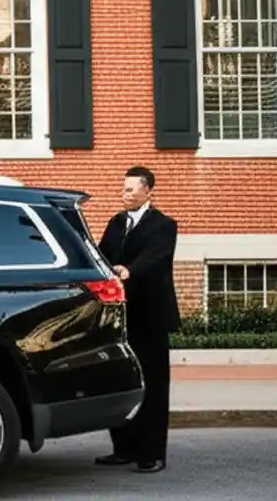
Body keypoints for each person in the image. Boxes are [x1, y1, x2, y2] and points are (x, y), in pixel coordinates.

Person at [94, 166, 180, 474]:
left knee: (153, 387)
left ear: (148, 191)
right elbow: (101, 254)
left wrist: (129, 270)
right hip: (119, 318)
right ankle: (124, 449)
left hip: (151, 319)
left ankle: (152, 454)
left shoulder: (164, 225)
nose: (125, 194)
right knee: (119, 381)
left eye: (131, 189)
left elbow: (155, 257)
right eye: (123, 188)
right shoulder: (116, 222)